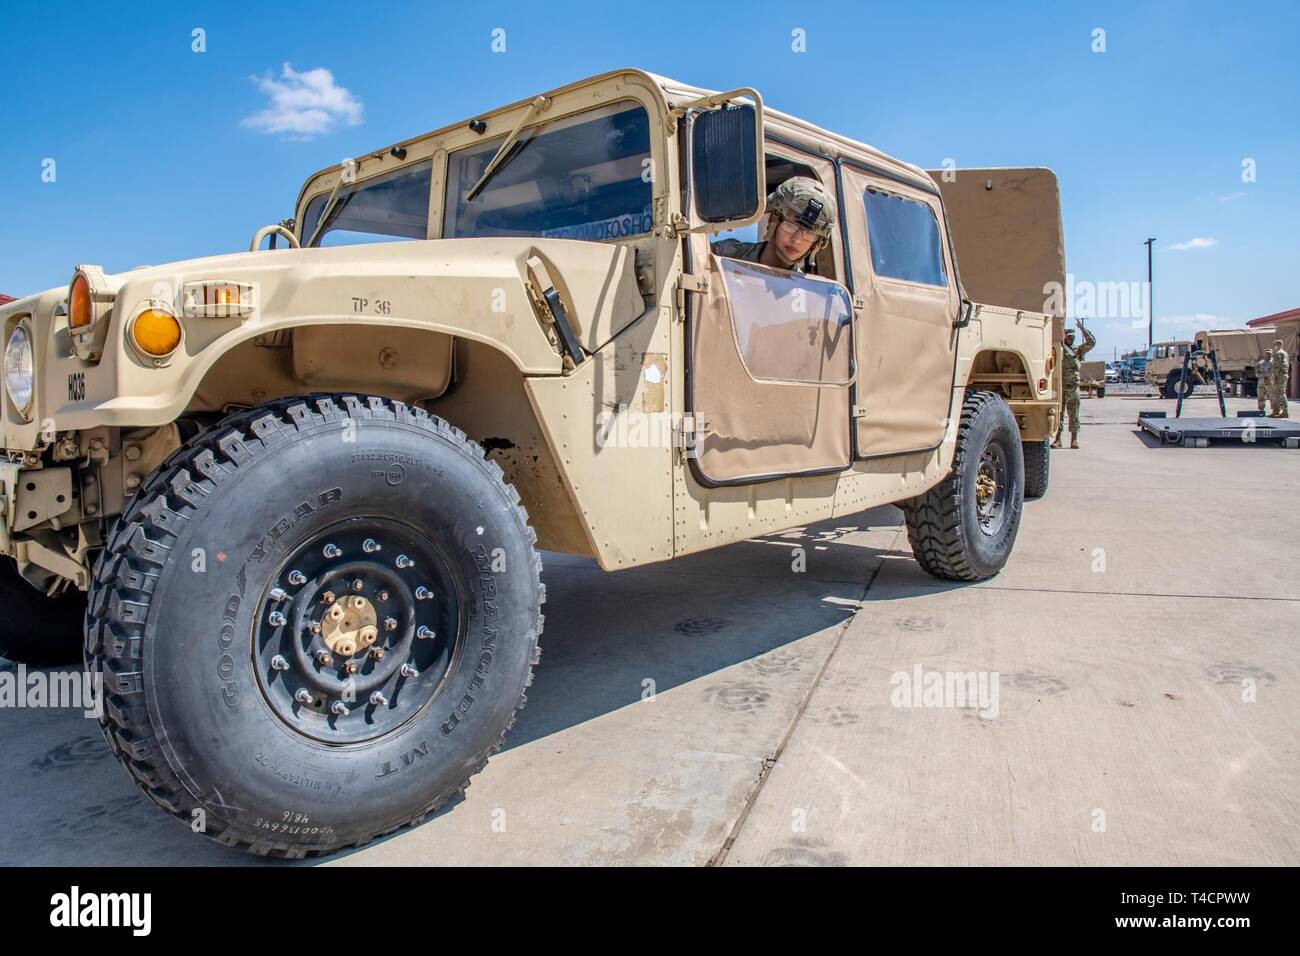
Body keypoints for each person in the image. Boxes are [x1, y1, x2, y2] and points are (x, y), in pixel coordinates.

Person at [711, 176, 837, 273]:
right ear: (773, 221)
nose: (797, 240)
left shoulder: (805, 293)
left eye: (810, 233)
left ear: (817, 243)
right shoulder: (723, 255)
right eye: (790, 226)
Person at [1053, 320, 1096, 449]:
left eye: (1072, 337)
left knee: (1074, 414)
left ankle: (1074, 440)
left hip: (1072, 386)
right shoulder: (1058, 348)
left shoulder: (1078, 350)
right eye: (1068, 336)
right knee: (1058, 414)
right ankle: (1058, 439)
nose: (1070, 339)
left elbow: (1092, 342)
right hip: (1059, 387)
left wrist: (1082, 328)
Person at [1270, 339, 1290, 418]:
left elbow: (1276, 367)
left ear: (1277, 345)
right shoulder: (1285, 353)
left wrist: (1273, 377)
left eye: (1274, 345)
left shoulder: (1277, 354)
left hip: (1278, 376)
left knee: (1280, 394)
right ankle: (1276, 411)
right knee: (1278, 393)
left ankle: (1285, 411)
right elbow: (1287, 365)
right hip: (1284, 375)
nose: (1274, 347)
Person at [1257, 347, 1274, 415]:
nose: (1268, 354)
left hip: (1271, 382)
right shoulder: (1260, 363)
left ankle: (1274, 411)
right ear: (1265, 354)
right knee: (1261, 396)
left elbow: (1277, 372)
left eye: (1269, 353)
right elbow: (1257, 372)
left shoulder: (1274, 363)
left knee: (1272, 396)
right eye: (1267, 353)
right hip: (1262, 382)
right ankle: (1261, 410)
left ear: (1271, 354)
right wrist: (1261, 375)